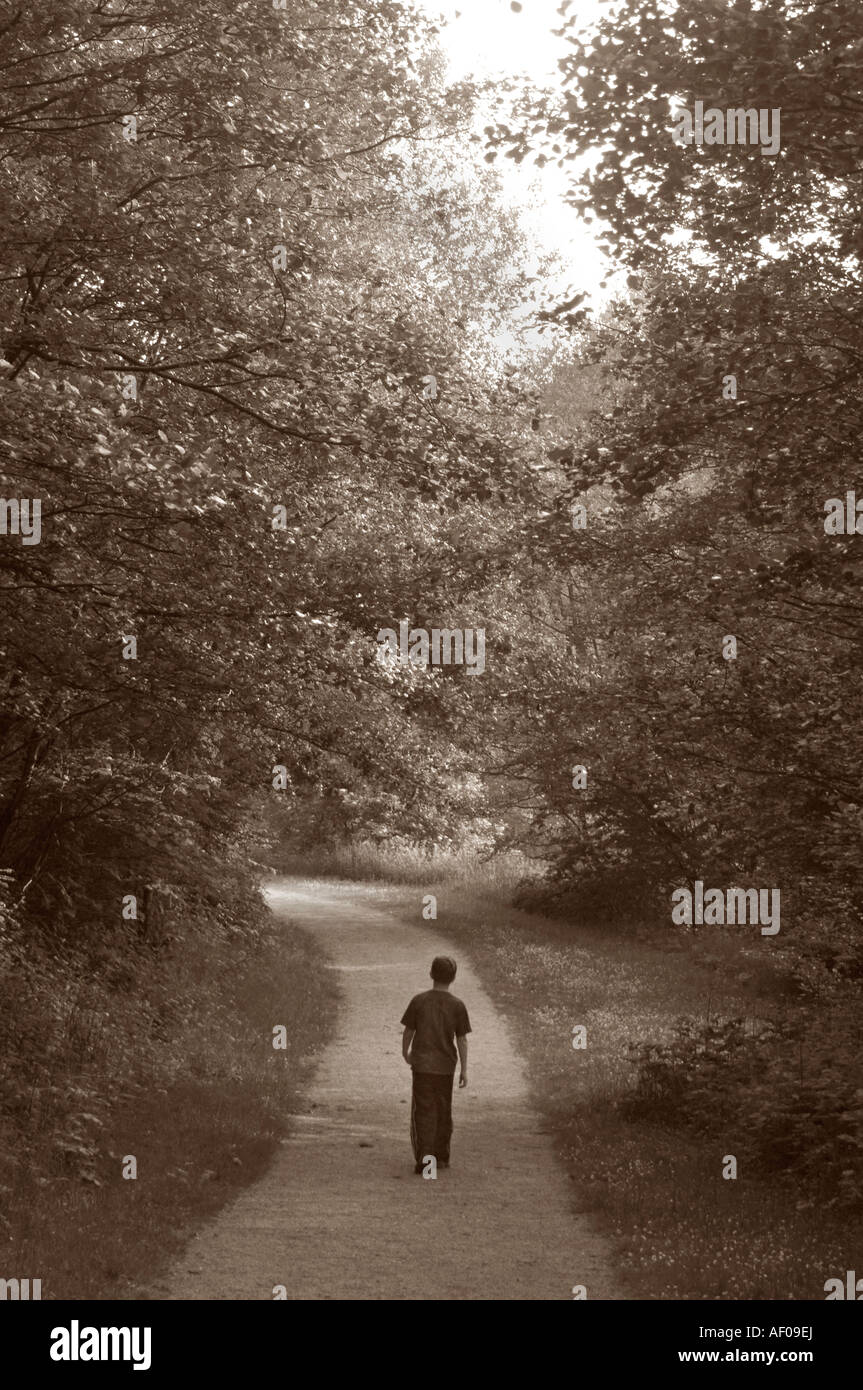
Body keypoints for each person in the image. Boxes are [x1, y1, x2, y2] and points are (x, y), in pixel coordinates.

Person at [400, 955, 471, 1175]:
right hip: (445, 1067)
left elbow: (409, 1031)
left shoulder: (418, 1001)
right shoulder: (457, 1005)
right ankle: (441, 1157)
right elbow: (461, 1039)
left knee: (422, 1111)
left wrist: (406, 1052)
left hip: (422, 1066)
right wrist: (464, 1069)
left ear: (431, 974)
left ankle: (425, 1158)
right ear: (454, 978)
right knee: (443, 1109)